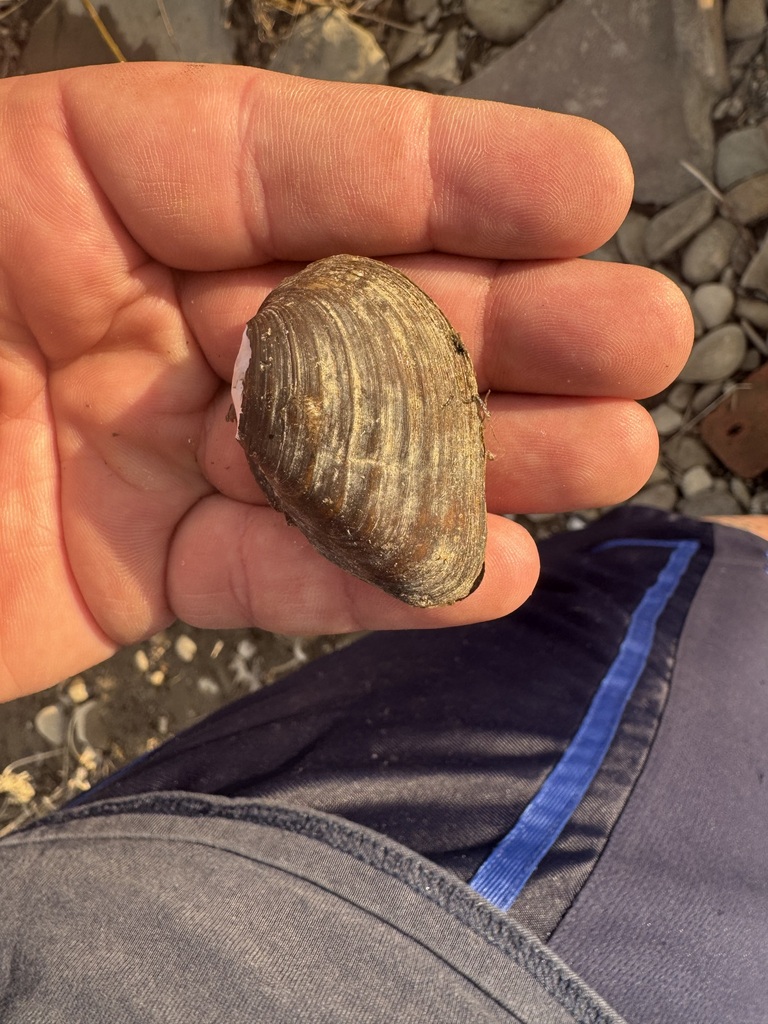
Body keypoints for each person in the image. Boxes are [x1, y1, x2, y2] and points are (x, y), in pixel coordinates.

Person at [0, 64, 765, 1023]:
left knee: (703, 581)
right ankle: (707, 552)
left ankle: (707, 553)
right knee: (708, 584)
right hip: (227, 890)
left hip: (191, 889)